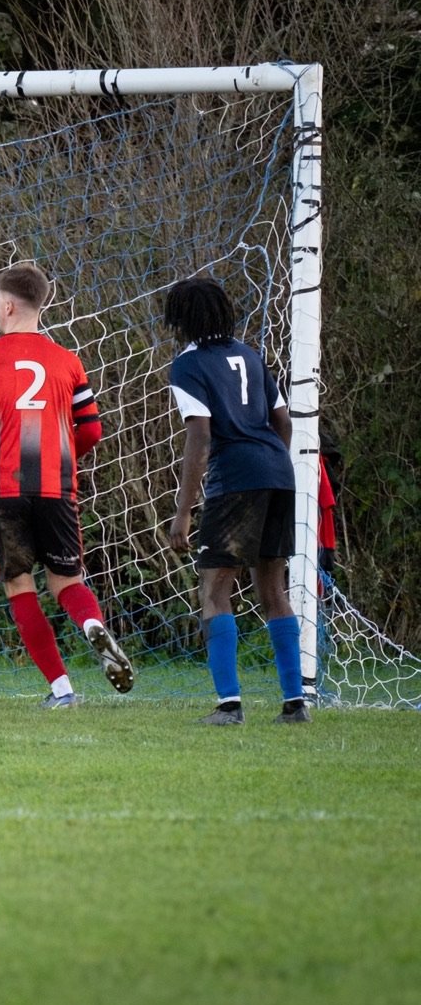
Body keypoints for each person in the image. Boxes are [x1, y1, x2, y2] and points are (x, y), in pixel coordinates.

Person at [0, 261, 134, 708]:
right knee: (66, 581)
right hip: (56, 486)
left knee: (19, 585)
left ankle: (62, 690)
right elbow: (92, 430)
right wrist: (61, 457)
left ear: (8, 306)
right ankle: (91, 625)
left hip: (4, 489)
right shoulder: (68, 361)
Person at [163, 277, 312, 725]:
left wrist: (183, 511)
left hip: (235, 480)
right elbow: (283, 421)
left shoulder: (188, 364)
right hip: (278, 473)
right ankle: (295, 704)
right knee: (273, 588)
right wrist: (269, 464)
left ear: (181, 320)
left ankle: (229, 705)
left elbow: (200, 434)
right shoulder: (249, 355)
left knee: (215, 589)